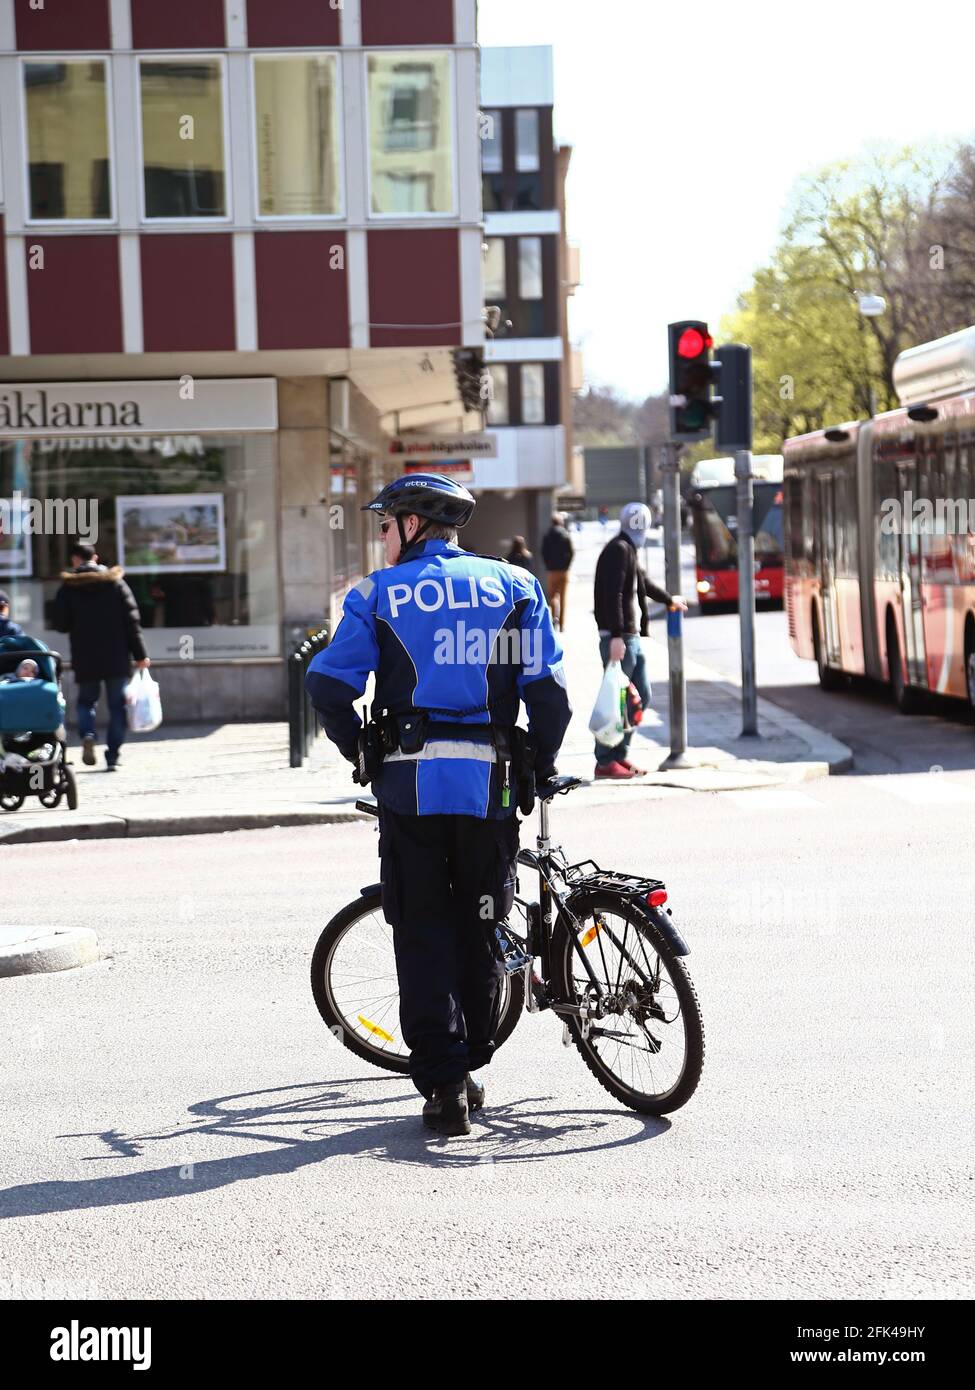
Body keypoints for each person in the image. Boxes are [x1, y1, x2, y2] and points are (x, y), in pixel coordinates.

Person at [306, 474, 571, 1138]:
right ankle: (474, 1054)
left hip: (410, 788)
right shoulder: (514, 585)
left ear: (413, 526)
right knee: (482, 919)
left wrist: (357, 748)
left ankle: (445, 1081)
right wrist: (539, 762)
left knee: (421, 927)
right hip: (490, 788)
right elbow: (549, 693)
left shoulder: (378, 593)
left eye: (385, 524)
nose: (381, 535)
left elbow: (328, 683)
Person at [593, 502, 688, 780]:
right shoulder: (619, 550)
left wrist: (670, 600)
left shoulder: (627, 550)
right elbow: (613, 596)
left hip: (630, 636)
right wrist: (616, 636)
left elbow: (642, 584)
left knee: (640, 695)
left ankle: (619, 755)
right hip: (620, 637)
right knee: (618, 701)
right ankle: (605, 759)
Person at [50, 542, 150, 772]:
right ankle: (113, 756)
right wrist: (140, 655)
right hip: (116, 656)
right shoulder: (116, 583)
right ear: (95, 557)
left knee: (86, 702)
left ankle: (88, 734)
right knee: (118, 707)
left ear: (75, 559)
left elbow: (61, 624)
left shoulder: (69, 587)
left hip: (85, 656)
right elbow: (132, 622)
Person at [540, 513, 574, 632]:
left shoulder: (547, 536)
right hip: (563, 571)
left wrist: (548, 565)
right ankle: (562, 625)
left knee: (553, 596)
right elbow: (571, 552)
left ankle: (554, 618)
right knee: (563, 597)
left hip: (551, 571)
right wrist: (566, 566)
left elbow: (543, 552)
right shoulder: (566, 535)